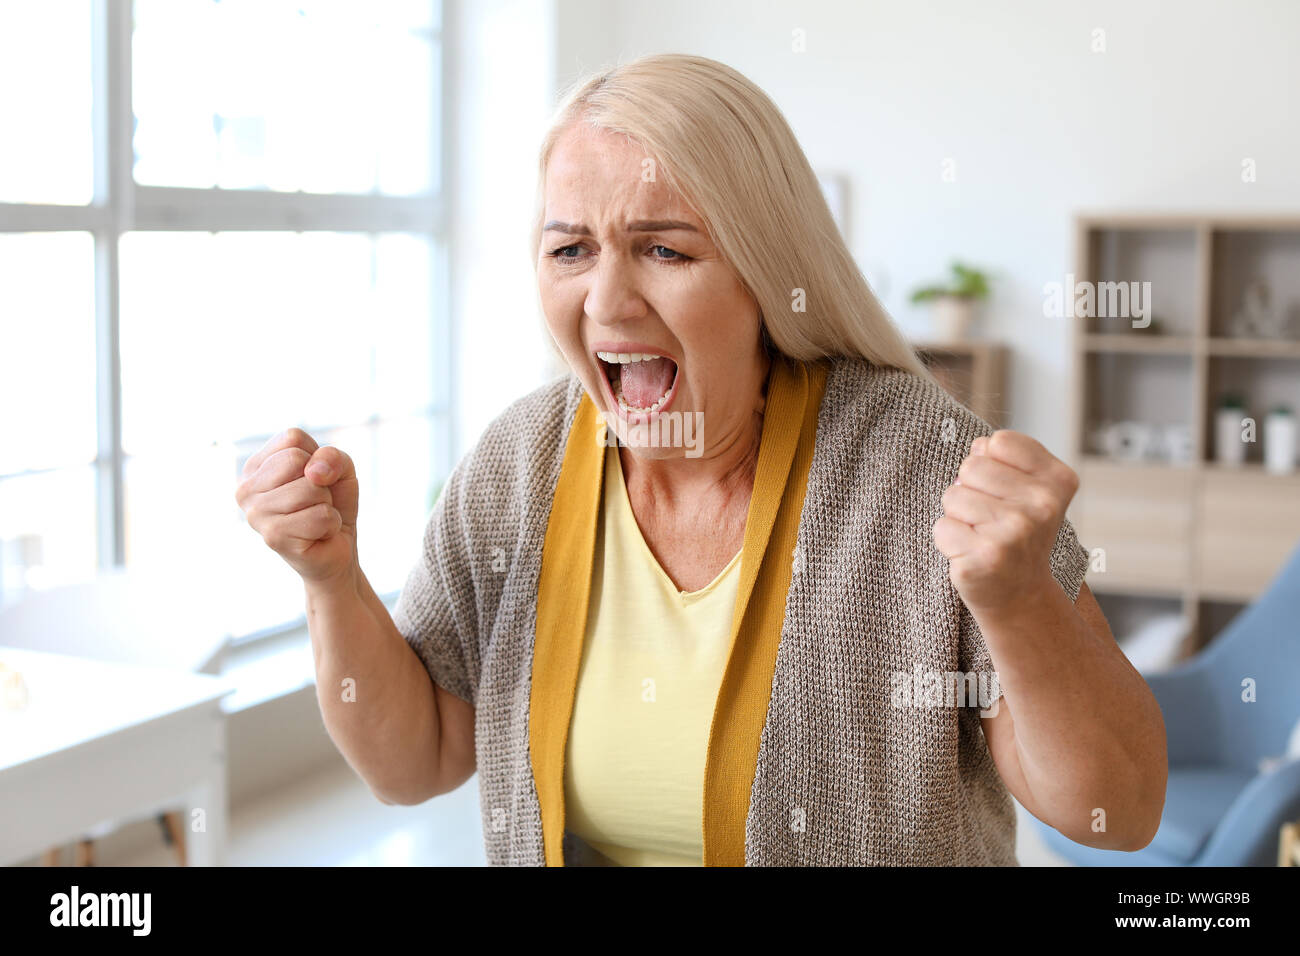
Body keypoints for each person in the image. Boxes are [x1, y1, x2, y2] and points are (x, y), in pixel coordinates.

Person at [235, 53, 1166, 866]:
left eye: (663, 250)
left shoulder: (920, 464)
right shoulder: (520, 463)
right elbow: (415, 761)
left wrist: (1020, 602)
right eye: (570, 248)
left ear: (767, 271)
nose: (607, 301)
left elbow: (1116, 812)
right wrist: (330, 581)